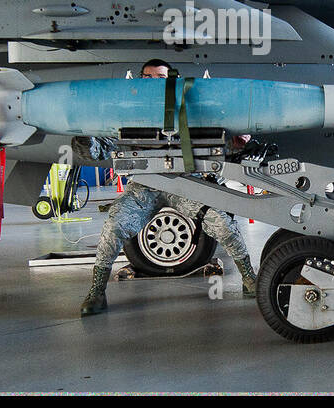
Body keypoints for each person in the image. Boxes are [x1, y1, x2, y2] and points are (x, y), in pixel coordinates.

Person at [79, 59, 258, 317]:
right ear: (140, 80)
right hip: (145, 184)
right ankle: (96, 291)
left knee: (222, 223)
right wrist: (85, 139)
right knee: (114, 225)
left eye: (161, 77)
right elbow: (101, 147)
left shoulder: (190, 109)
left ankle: (249, 279)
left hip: (186, 182)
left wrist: (239, 141)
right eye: (148, 77)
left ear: (172, 80)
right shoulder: (129, 113)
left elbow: (218, 140)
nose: (155, 82)